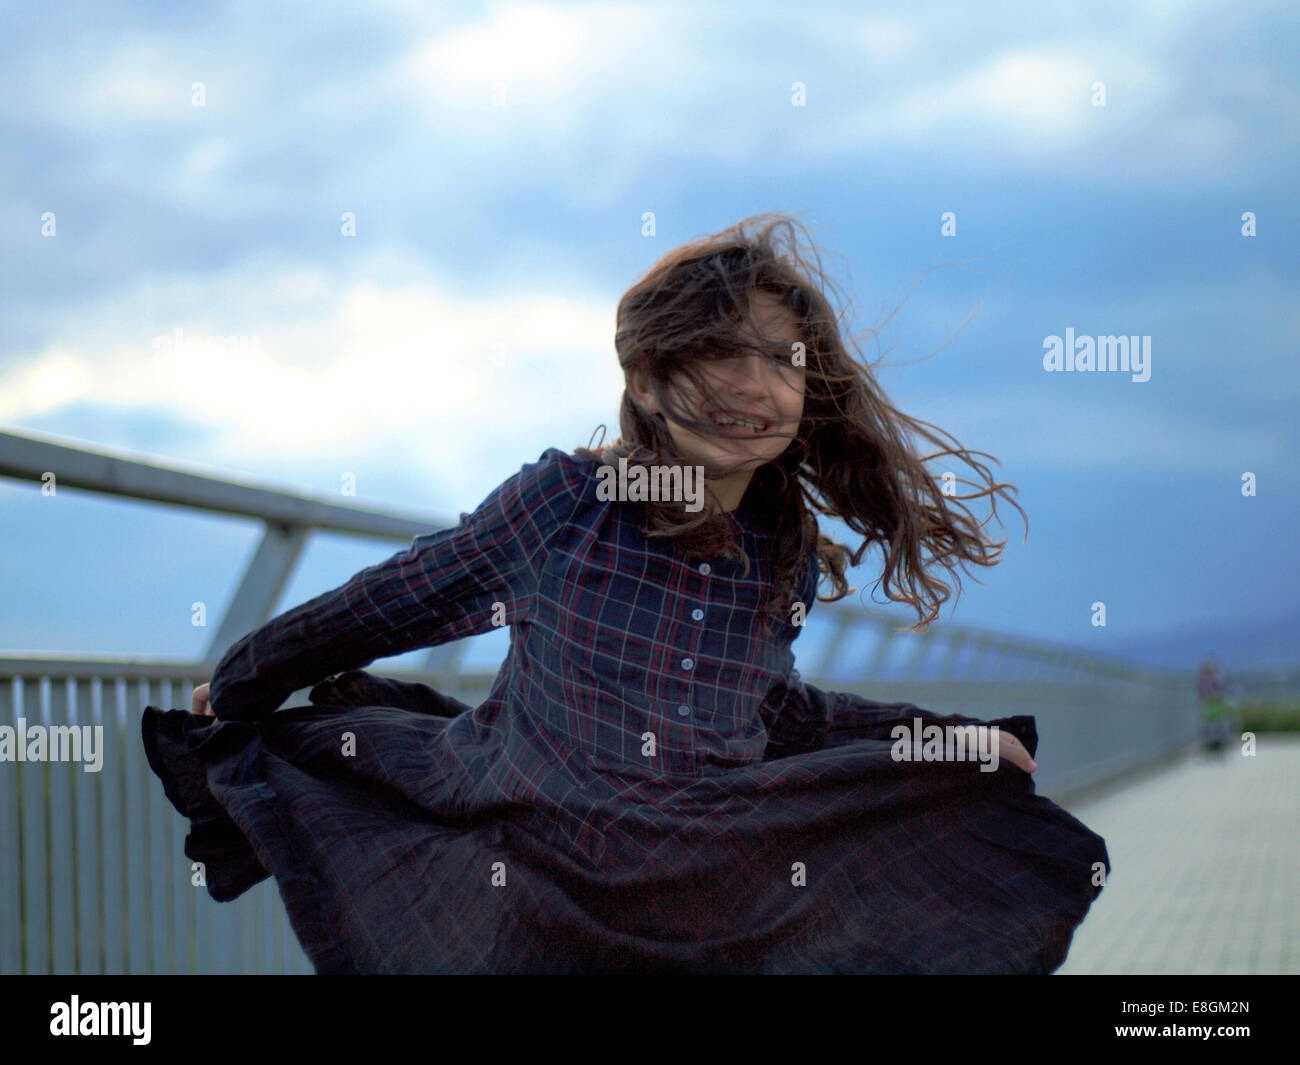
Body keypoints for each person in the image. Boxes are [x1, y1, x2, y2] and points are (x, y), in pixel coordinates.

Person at [143, 213, 1110, 974]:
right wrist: (241, 678)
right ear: (648, 380)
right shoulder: (569, 502)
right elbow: (393, 599)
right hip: (533, 890)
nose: (757, 386)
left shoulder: (784, 548)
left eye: (783, 360)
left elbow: (773, 710)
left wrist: (941, 737)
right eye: (722, 354)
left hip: (698, 892)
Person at [1196, 654, 1231, 755]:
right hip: (1210, 707)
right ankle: (1212, 744)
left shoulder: (1212, 681)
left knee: (1215, 725)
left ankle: (1216, 744)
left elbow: (1217, 692)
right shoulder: (1208, 682)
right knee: (1211, 726)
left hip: (1214, 707)